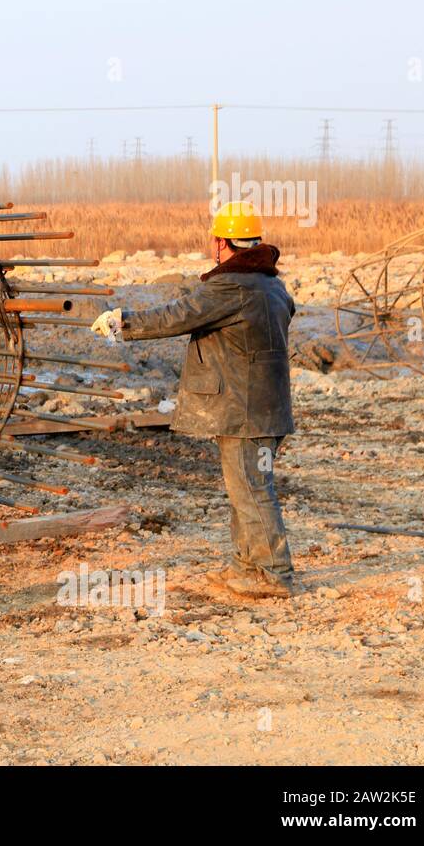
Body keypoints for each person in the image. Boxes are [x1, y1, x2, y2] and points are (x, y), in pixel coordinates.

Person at [90, 201, 299, 599]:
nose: (212, 249)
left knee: (252, 489)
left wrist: (122, 322)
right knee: (246, 488)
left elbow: (178, 314)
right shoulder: (271, 284)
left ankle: (274, 575)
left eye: (215, 241)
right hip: (266, 406)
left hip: (246, 411)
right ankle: (245, 565)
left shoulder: (232, 286)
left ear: (224, 244)